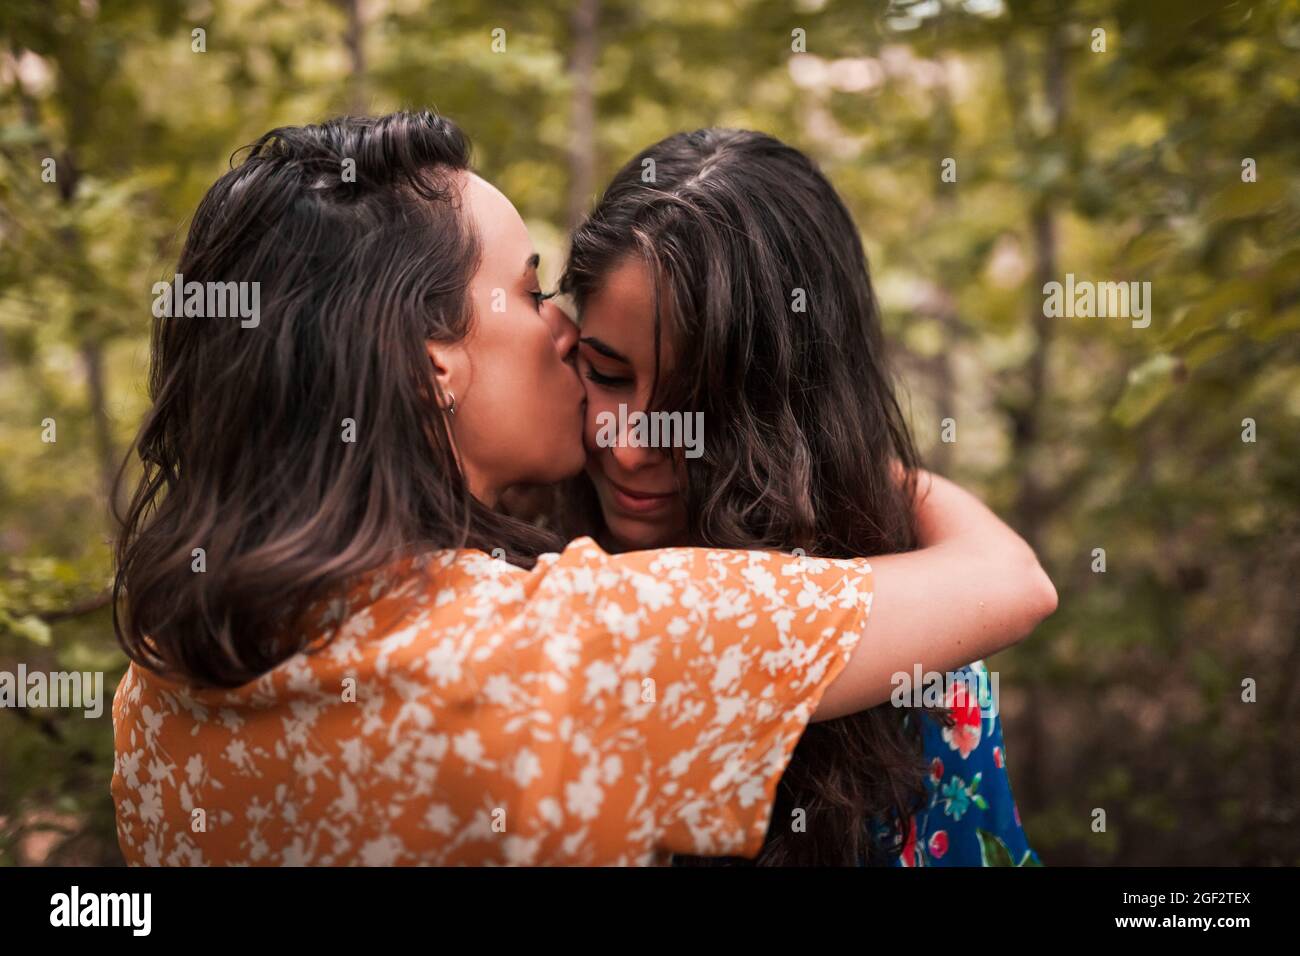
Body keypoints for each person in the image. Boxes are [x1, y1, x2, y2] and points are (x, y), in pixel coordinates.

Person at [110, 111, 1056, 866]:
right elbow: (1009, 580)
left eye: (709, 403)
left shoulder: (157, 684)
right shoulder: (576, 642)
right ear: (430, 362)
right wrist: (853, 457)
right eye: (529, 296)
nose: (556, 333)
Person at [556, 128, 1041, 865]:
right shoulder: (498, 558)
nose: (628, 445)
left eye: (700, 404)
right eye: (607, 375)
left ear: (790, 413)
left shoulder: (922, 668)